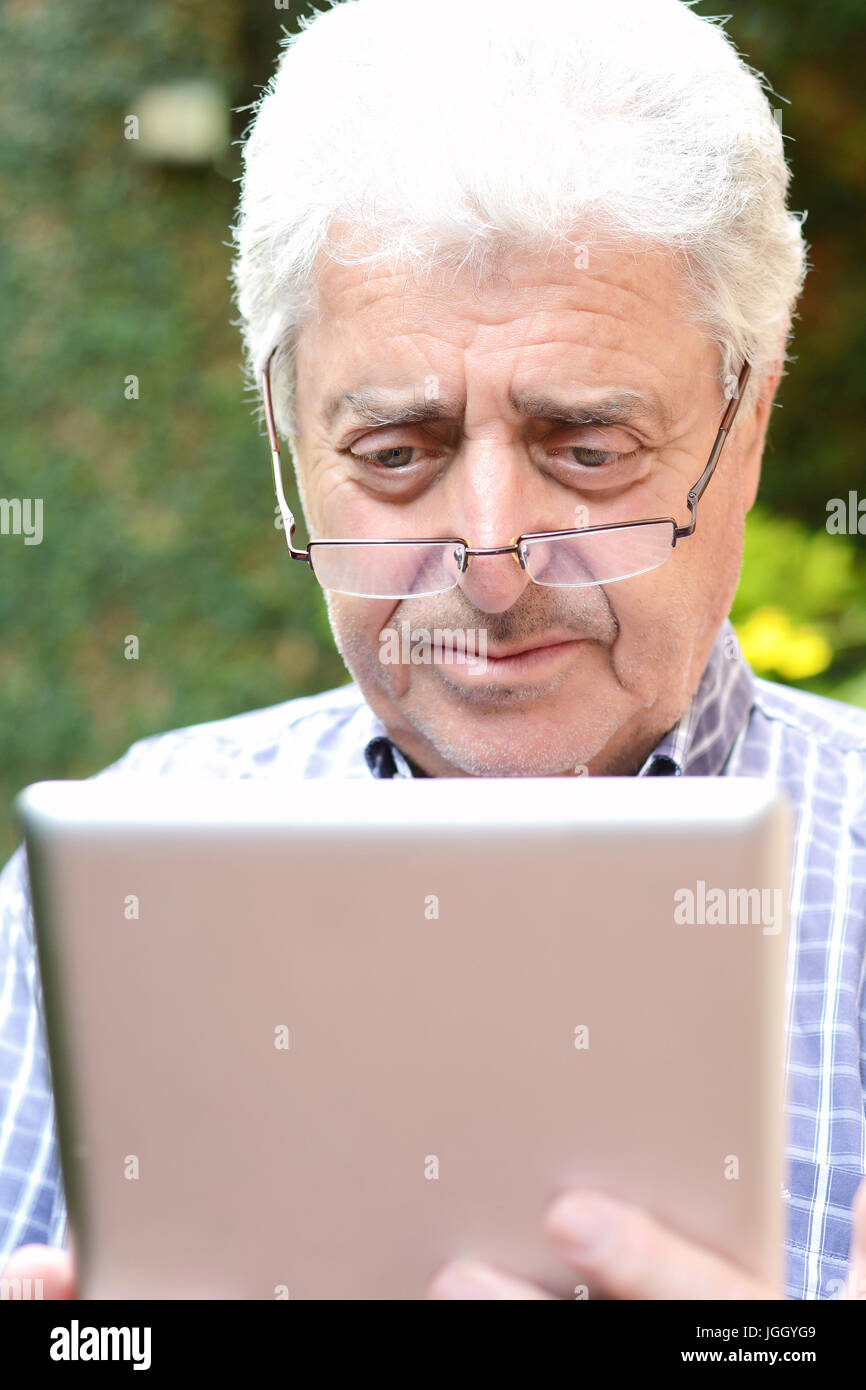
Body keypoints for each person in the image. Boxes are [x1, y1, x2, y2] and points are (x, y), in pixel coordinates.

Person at [3, 0, 866, 1301]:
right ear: (288, 435)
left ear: (744, 425)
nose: (490, 558)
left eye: (585, 447)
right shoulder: (74, 909)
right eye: (395, 455)